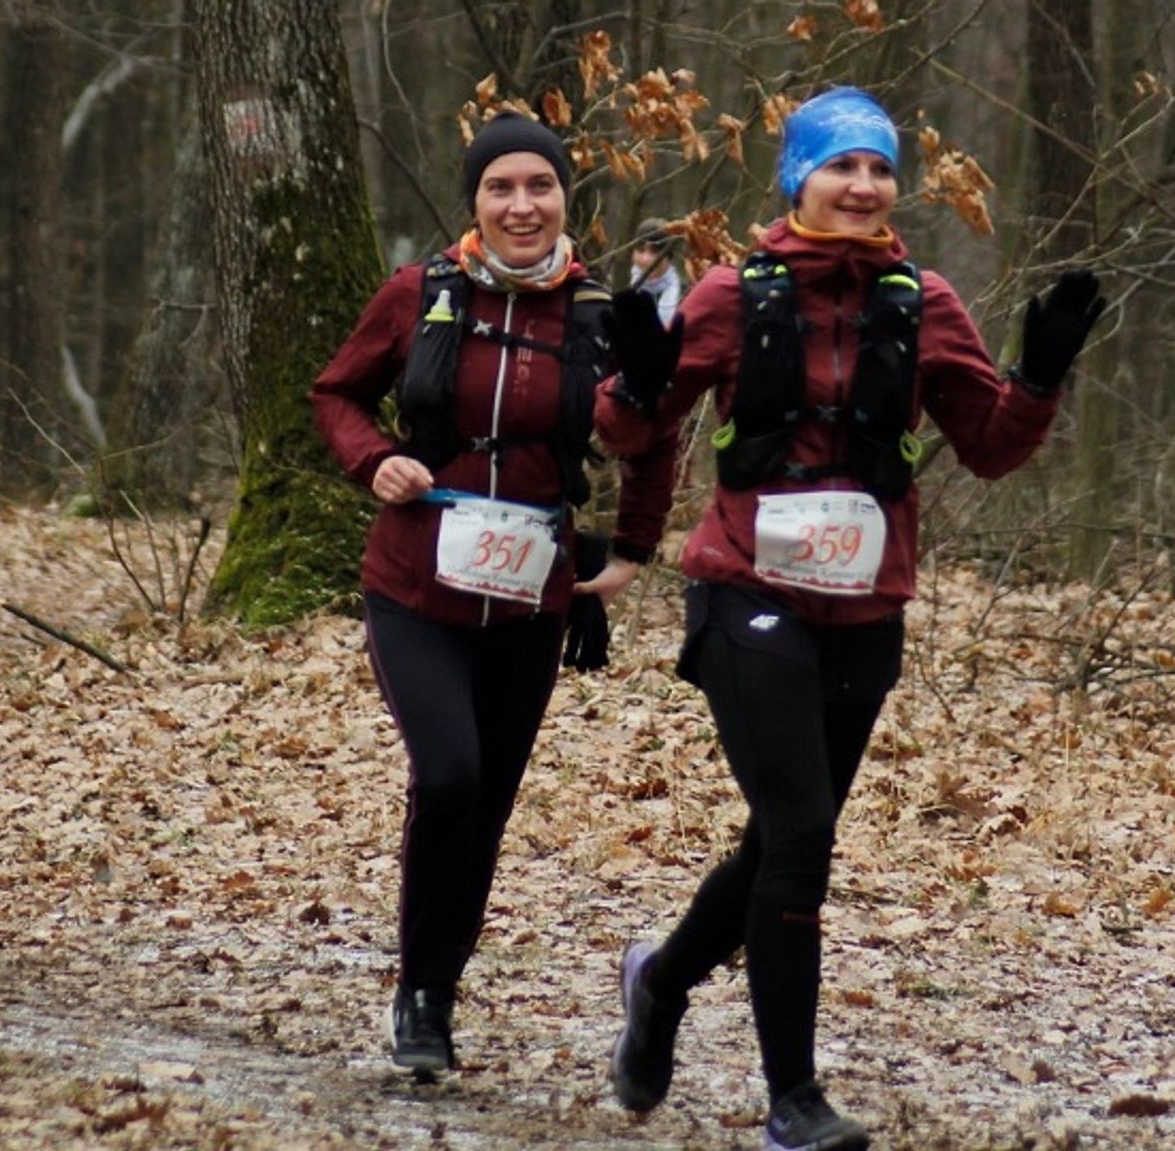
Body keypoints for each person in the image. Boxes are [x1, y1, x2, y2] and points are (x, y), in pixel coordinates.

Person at [604, 87, 1104, 1149]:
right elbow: (628, 433)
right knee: (801, 834)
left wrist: (1040, 374)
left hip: (867, 605)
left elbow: (990, 446)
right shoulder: (734, 293)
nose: (865, 185)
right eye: (842, 166)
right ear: (799, 179)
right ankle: (794, 1098)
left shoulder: (925, 302)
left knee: (783, 838)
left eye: (880, 168)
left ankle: (662, 980)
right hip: (746, 591)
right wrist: (635, 385)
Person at [311, 112, 680, 1074]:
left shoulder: (598, 316)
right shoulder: (419, 293)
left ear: (566, 198)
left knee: (486, 805)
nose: (523, 205)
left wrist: (632, 547)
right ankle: (417, 990)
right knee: (448, 774)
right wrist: (375, 458)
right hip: (415, 586)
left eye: (540, 186)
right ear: (473, 201)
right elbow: (335, 394)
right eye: (501, 188)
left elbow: (653, 434)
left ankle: (434, 994)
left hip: (530, 599)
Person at [628, 215, 681, 328]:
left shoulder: (682, 299)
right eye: (640, 250)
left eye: (654, 252)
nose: (645, 259)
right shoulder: (623, 288)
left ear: (668, 256)